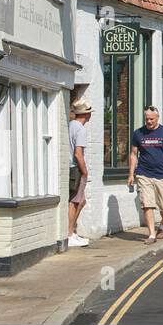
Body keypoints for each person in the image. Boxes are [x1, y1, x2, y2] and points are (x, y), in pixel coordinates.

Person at [127, 106, 163, 244]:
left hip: (162, 174)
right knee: (147, 204)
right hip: (144, 173)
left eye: (151, 119)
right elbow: (133, 154)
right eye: (147, 119)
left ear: (157, 118)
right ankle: (151, 234)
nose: (149, 121)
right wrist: (131, 174)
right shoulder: (138, 133)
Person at [67, 96, 93, 248]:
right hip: (75, 168)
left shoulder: (70, 125)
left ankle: (72, 232)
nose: (90, 115)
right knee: (75, 202)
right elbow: (78, 153)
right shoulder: (81, 129)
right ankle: (69, 234)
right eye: (89, 112)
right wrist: (85, 172)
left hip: (70, 168)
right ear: (86, 114)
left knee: (80, 201)